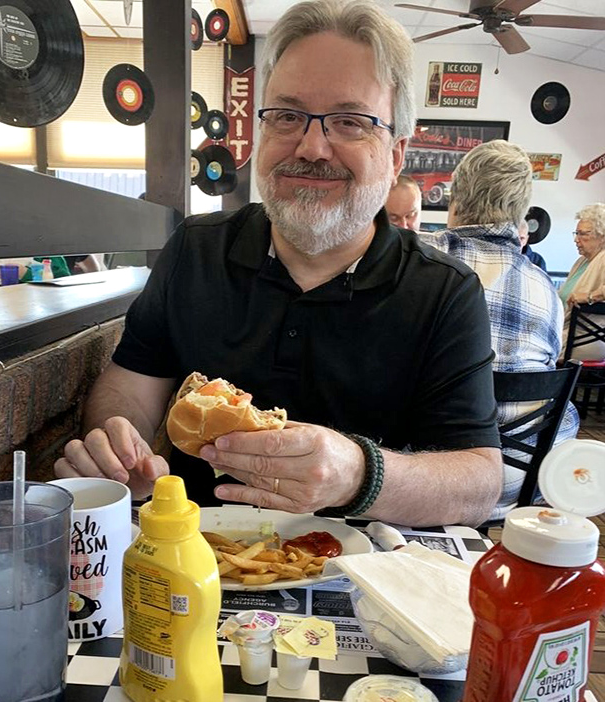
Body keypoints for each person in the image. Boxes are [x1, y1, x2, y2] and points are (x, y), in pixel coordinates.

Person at [55, 0, 502, 528]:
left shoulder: (446, 291)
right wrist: (119, 443)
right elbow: (130, 384)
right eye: (287, 116)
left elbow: (477, 483)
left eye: (349, 122)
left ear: (396, 154)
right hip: (193, 557)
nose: (312, 147)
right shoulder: (194, 250)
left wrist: (360, 474)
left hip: (361, 573)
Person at [420, 140, 578, 518]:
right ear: (521, 213)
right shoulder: (546, 288)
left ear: (454, 200)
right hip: (519, 481)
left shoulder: (418, 260)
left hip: (424, 475)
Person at [559, 203, 605, 360]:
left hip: (585, 340)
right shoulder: (581, 262)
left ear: (602, 236)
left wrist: (591, 296)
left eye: (582, 234)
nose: (576, 240)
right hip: (566, 334)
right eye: (576, 233)